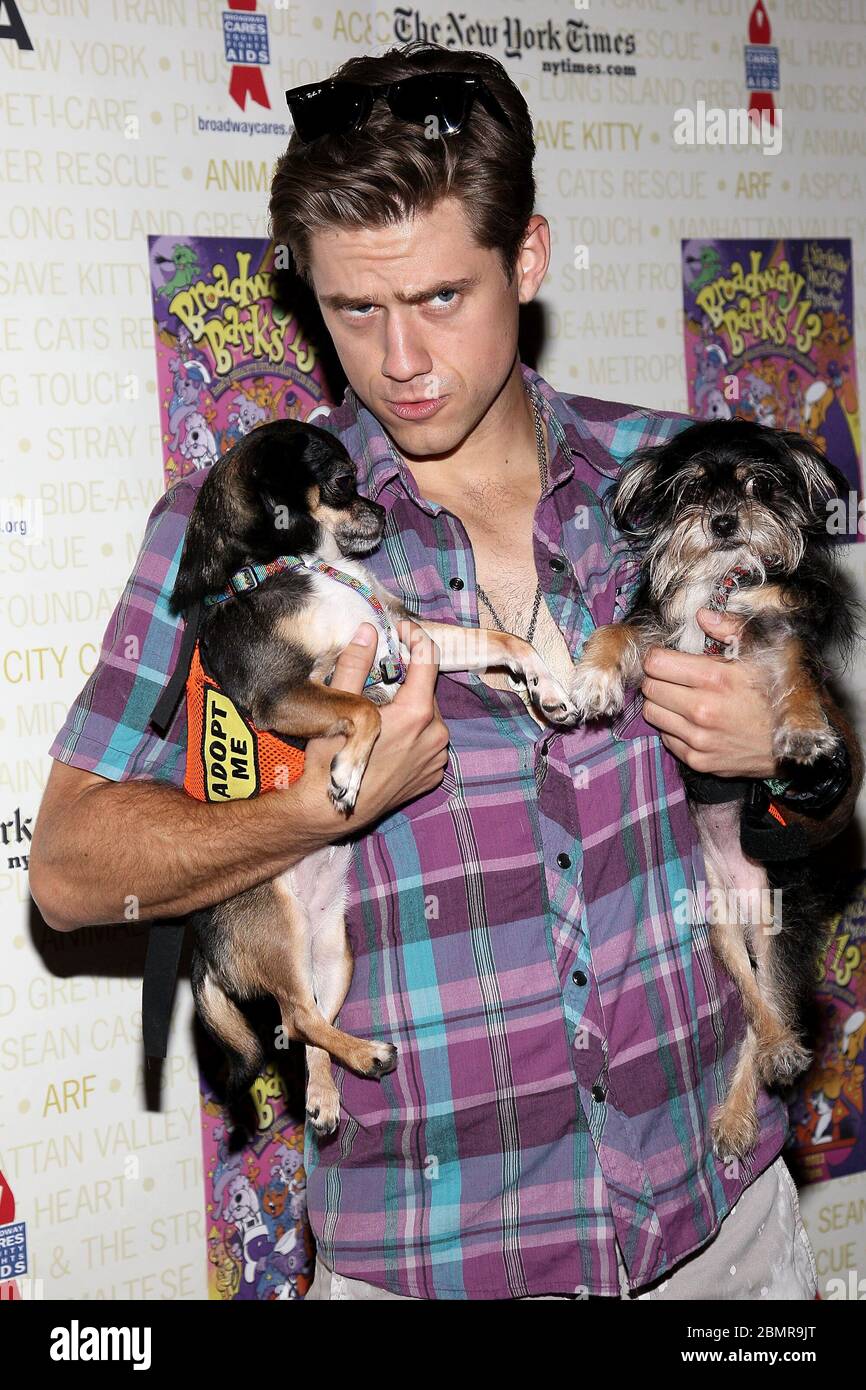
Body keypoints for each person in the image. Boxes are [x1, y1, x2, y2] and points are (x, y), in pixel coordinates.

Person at [31, 42, 860, 1301]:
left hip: (722, 1246)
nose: (401, 359)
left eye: (438, 297)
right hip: (432, 1265)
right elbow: (70, 869)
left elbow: (830, 795)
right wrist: (318, 807)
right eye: (354, 310)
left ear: (526, 259)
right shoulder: (245, 532)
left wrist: (791, 764)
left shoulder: (677, 483)